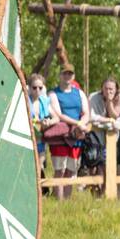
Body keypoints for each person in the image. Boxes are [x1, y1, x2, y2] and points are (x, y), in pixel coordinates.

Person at [47, 65, 90, 200]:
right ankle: (58, 200)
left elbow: (86, 112)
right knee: (59, 169)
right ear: (60, 75)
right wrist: (77, 123)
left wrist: (82, 123)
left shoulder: (79, 93)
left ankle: (67, 200)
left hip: (75, 136)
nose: (67, 77)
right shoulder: (53, 94)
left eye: (70, 74)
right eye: (65, 74)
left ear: (73, 76)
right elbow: (59, 114)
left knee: (71, 169)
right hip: (61, 136)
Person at [26, 74, 57, 177]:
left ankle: (40, 188)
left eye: (40, 87)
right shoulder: (24, 101)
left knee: (40, 165)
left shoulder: (44, 102)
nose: (37, 90)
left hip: (40, 139)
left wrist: (48, 122)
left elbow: (56, 118)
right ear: (29, 88)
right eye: (34, 87)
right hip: (27, 138)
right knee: (29, 165)